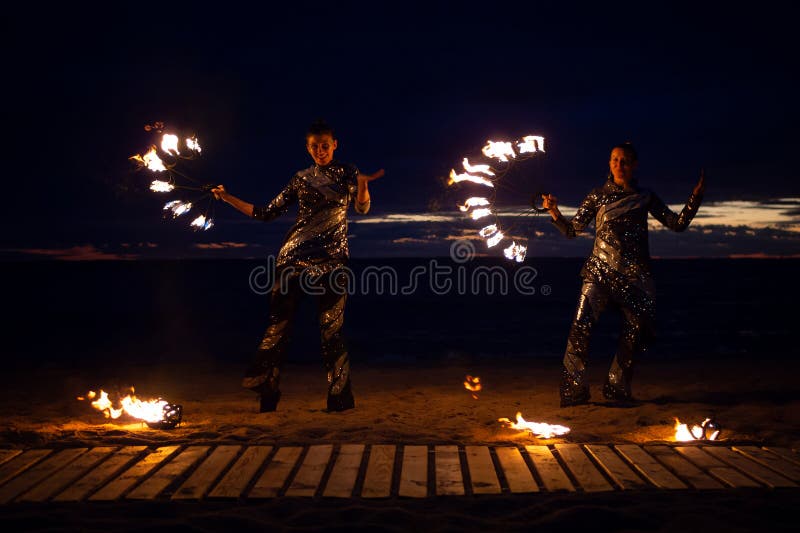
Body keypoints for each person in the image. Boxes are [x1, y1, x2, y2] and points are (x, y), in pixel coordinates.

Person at [211, 120, 384, 412]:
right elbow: (265, 213)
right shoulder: (300, 179)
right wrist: (226, 197)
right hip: (292, 259)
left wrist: (363, 186)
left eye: (325, 145)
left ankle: (339, 397)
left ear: (334, 145)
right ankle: (266, 387)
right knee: (279, 324)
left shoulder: (347, 172)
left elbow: (362, 208)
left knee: (332, 329)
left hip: (333, 261)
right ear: (308, 148)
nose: (320, 151)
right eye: (314, 146)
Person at [542, 142, 705, 407]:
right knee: (580, 327)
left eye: (625, 160)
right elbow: (573, 230)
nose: (620, 165)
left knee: (635, 331)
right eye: (615, 160)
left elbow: (677, 224)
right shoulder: (596, 196)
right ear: (609, 164)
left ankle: (617, 387)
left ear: (634, 165)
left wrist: (695, 198)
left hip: (636, 278)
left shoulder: (645, 197)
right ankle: (574, 391)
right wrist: (553, 211)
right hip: (598, 272)